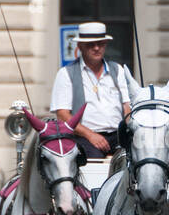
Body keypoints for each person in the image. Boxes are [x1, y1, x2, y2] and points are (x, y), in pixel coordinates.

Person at [50, 21, 137, 160]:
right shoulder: (66, 73)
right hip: (84, 137)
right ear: (80, 46)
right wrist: (90, 135)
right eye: (91, 44)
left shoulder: (117, 70)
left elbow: (127, 106)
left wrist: (131, 130)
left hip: (118, 135)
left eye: (101, 44)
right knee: (93, 164)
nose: (96, 48)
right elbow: (62, 114)